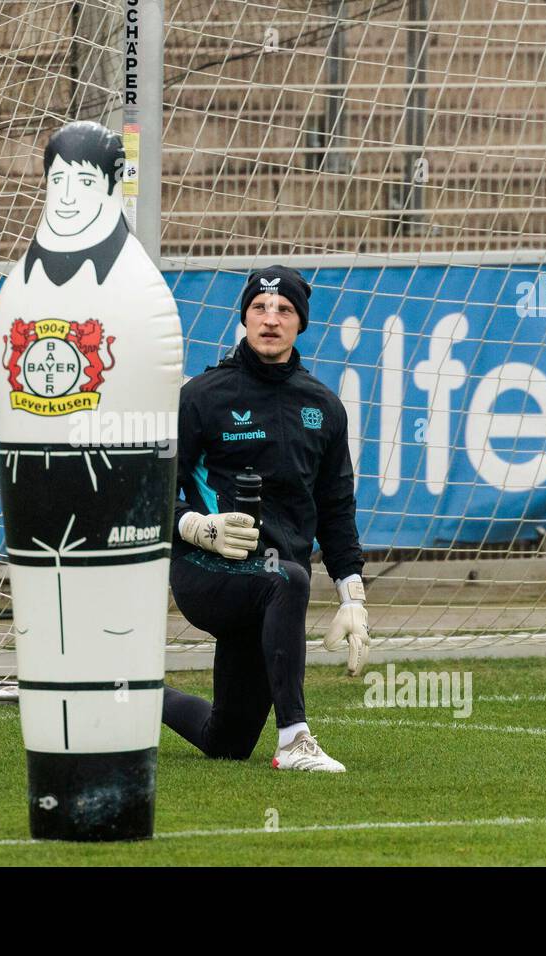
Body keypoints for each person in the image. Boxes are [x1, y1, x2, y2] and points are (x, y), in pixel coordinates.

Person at [163, 265, 369, 773]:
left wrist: (352, 596)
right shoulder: (202, 397)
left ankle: (128, 687)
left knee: (226, 741)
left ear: (301, 323)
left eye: (284, 310)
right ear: (244, 318)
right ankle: (295, 740)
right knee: (287, 578)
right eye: (259, 307)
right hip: (207, 571)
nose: (270, 318)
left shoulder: (323, 405)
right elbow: (149, 493)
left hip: (273, 584)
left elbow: (336, 507)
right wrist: (196, 528)